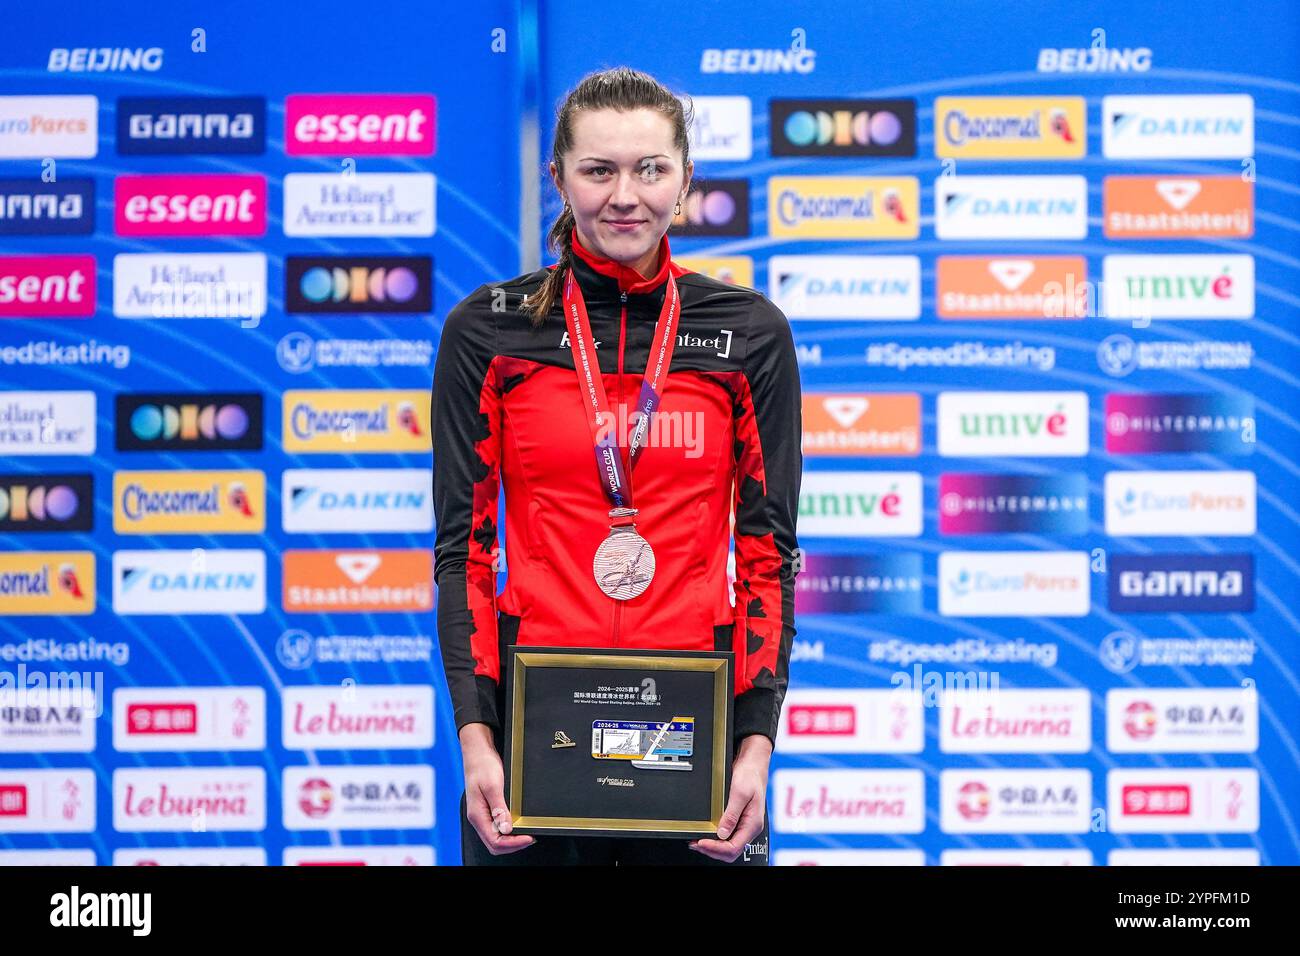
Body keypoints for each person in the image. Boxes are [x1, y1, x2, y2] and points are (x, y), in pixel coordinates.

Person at [431, 66, 802, 866]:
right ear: (557, 176)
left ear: (685, 177)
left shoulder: (747, 332)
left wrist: (754, 746)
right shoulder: (490, 331)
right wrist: (477, 737)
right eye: (599, 169)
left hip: (694, 739)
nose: (624, 195)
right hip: (533, 741)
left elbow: (770, 555)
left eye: (650, 168)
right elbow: (465, 551)